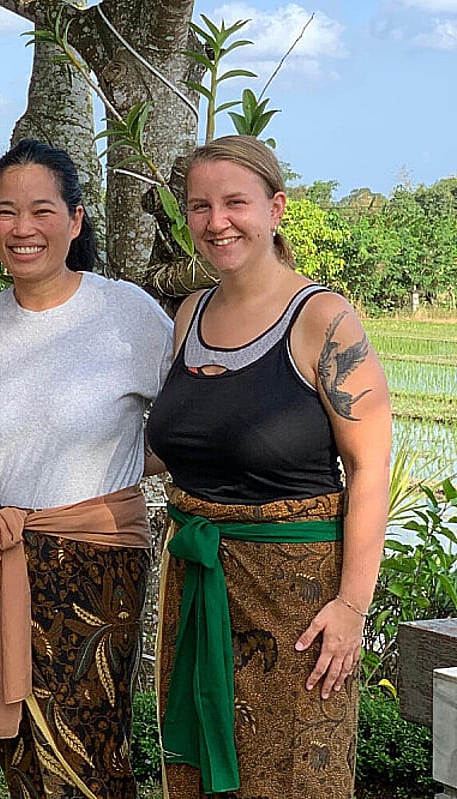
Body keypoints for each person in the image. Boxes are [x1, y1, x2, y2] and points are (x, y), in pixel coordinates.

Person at [147, 135, 391, 797]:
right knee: (197, 766)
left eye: (235, 202)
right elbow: (181, 442)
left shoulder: (323, 319)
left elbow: (370, 468)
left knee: (291, 778)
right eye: (199, 205)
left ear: (276, 207)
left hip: (300, 608)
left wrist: (352, 604)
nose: (216, 221)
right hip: (200, 586)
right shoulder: (190, 314)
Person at [0, 139, 174, 798]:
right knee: (19, 747)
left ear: (75, 220)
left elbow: (189, 426)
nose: (23, 229)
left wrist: (126, 461)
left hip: (96, 559)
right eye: (6, 212)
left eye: (42, 210)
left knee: (89, 747)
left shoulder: (129, 315)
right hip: (0, 555)